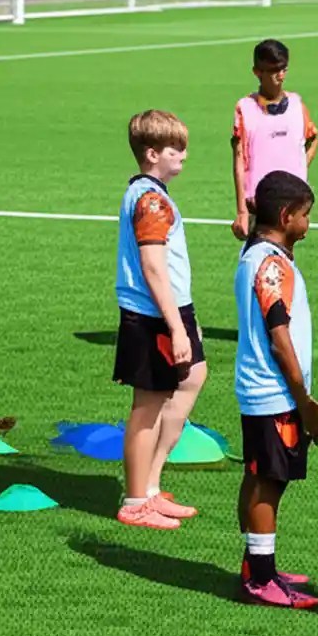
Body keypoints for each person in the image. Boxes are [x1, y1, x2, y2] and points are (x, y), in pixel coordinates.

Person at [234, 170, 318, 607]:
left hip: (262, 392)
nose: (309, 223)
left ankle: (258, 564)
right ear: (287, 216)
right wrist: (303, 401)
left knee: (262, 478)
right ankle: (261, 580)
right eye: (306, 215)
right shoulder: (271, 265)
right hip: (275, 395)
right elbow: (279, 337)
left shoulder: (256, 254)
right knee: (270, 482)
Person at [113, 110, 206, 529]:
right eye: (175, 149)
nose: (184, 155)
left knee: (193, 376)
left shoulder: (154, 193)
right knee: (147, 407)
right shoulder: (150, 200)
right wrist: (175, 325)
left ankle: (151, 485)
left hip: (170, 308)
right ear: (152, 154)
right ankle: (136, 500)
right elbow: (153, 267)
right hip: (152, 314)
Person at [231, 39, 318, 240]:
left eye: (283, 69)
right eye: (273, 70)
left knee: (286, 259)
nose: (280, 76)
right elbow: (238, 159)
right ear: (257, 72)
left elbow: (313, 139)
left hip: (292, 202)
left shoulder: (297, 104)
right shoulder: (245, 108)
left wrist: (299, 170)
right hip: (258, 203)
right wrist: (242, 211)